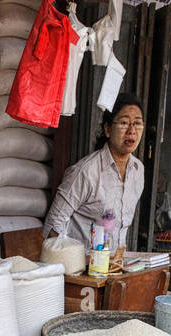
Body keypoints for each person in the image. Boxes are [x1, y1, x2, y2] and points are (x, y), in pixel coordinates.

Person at [43, 93, 145, 248]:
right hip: (82, 267)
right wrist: (73, 263)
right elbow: (53, 226)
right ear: (108, 129)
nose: (132, 130)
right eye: (124, 122)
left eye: (137, 123)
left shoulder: (138, 171)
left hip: (116, 266)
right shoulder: (86, 171)